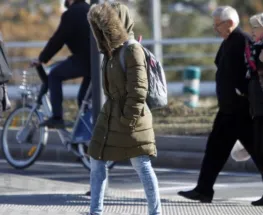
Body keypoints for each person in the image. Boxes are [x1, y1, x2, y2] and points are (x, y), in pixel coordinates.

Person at [178, 6, 263, 206]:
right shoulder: (228, 42)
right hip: (228, 109)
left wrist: (241, 93)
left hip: (240, 110)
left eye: (218, 25)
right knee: (215, 149)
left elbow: (250, 72)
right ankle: (203, 189)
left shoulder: (242, 40)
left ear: (230, 23)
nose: (215, 29)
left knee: (258, 151)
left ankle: (204, 189)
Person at [87, 2, 162, 215]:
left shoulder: (132, 49)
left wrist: (128, 119)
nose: (102, 31)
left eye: (106, 24)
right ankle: (96, 211)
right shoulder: (111, 51)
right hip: (110, 114)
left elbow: (138, 90)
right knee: (96, 158)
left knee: (141, 164)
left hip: (131, 117)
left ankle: (155, 212)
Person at [31, 0, 91, 129]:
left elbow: (59, 39)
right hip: (99, 62)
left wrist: (42, 58)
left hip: (85, 60)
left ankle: (57, 117)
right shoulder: (91, 9)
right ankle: (86, 139)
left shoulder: (71, 13)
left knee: (54, 75)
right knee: (84, 99)